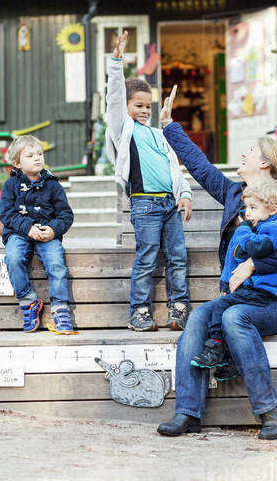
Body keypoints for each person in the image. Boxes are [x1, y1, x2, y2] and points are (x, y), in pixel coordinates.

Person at [156, 86, 277, 440]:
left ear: (265, 164)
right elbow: (199, 165)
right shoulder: (232, 194)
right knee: (198, 317)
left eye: (250, 151)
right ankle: (188, 412)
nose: (242, 154)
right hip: (239, 298)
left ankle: (269, 411)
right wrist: (170, 127)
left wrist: (254, 265)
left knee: (233, 317)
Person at [105, 32, 193, 332]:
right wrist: (116, 62)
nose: (144, 111)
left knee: (177, 256)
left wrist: (185, 194)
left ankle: (179, 308)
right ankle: (139, 311)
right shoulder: (122, 130)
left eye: (148, 106)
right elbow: (114, 97)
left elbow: (174, 168)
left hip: (170, 205)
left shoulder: (158, 134)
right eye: (138, 105)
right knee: (146, 258)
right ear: (127, 108)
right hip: (143, 204)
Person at [191, 178, 277, 370]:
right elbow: (235, 257)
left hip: (261, 292)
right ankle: (230, 361)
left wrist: (243, 230)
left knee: (221, 308)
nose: (247, 212)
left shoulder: (275, 228)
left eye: (253, 207)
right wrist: (225, 283)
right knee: (219, 310)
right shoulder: (259, 227)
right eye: (246, 207)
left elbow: (259, 248)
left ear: (272, 209)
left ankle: (216, 349)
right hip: (251, 288)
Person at [0, 135, 74, 334]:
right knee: (13, 258)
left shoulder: (53, 185)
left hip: (46, 232)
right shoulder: (10, 185)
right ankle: (28, 301)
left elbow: (66, 214)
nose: (37, 158)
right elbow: (6, 214)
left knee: (56, 263)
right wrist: (27, 228)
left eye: (39, 154)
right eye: (30, 155)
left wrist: (54, 229)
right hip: (19, 232)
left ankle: (60, 307)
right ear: (17, 163)